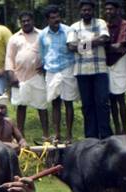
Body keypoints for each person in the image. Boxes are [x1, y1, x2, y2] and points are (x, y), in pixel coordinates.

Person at [66, 1, 112, 140]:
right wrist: (93, 41)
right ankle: (91, 136)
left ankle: (105, 135)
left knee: (102, 103)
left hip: (100, 70)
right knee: (87, 105)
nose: (86, 12)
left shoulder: (100, 23)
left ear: (93, 11)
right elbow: (71, 46)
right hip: (82, 71)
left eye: (89, 10)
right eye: (84, 10)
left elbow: (104, 39)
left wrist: (82, 44)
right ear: (80, 11)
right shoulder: (74, 27)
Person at [5, 11, 50, 141]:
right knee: (21, 105)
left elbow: (50, 50)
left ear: (32, 21)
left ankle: (46, 135)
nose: (26, 23)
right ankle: (21, 136)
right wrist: (11, 74)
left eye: (28, 20)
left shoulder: (42, 34)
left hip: (37, 75)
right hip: (19, 76)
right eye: (23, 21)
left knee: (42, 105)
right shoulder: (14, 38)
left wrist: (46, 64)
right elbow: (9, 57)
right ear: (20, 23)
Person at [40, 5, 78, 140]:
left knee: (68, 102)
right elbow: (42, 52)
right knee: (55, 102)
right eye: (52, 18)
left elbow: (76, 47)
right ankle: (57, 133)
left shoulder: (69, 30)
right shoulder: (42, 34)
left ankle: (69, 133)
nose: (56, 19)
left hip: (67, 68)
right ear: (47, 20)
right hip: (51, 70)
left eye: (57, 16)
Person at [104, 1, 126, 134]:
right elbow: (114, 47)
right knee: (112, 99)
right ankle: (117, 129)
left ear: (118, 10)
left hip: (120, 62)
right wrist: (112, 47)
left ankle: (125, 129)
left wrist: (104, 46)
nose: (109, 12)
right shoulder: (104, 25)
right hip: (107, 64)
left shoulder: (124, 24)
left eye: (111, 9)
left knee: (120, 97)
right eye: (107, 9)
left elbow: (121, 47)